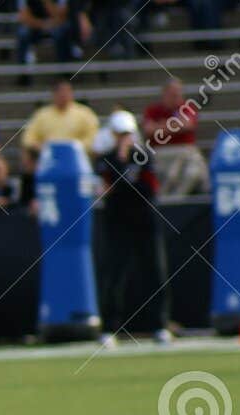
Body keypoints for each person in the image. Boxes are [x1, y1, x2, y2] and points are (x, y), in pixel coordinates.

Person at [98, 110, 169, 344]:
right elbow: (107, 189)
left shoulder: (145, 155)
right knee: (114, 275)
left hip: (144, 221)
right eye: (120, 134)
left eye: (126, 134)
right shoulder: (106, 158)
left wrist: (124, 182)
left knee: (154, 273)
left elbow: (148, 190)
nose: (123, 138)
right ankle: (109, 328)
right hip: (118, 222)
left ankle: (159, 325)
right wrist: (121, 162)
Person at [143, 78, 207, 198]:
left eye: (179, 93)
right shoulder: (153, 110)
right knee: (172, 172)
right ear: (165, 93)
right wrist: (176, 124)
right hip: (162, 152)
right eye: (173, 94)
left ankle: (176, 198)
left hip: (186, 152)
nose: (177, 96)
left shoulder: (187, 107)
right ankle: (166, 199)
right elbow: (149, 130)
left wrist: (162, 125)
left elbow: (188, 125)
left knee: (194, 171)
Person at [22, 79, 98, 153]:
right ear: (54, 94)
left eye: (67, 91)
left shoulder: (84, 113)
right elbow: (28, 139)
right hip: (48, 157)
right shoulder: (41, 114)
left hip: (76, 157)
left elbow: (93, 137)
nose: (63, 95)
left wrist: (75, 147)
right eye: (60, 92)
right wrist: (42, 147)